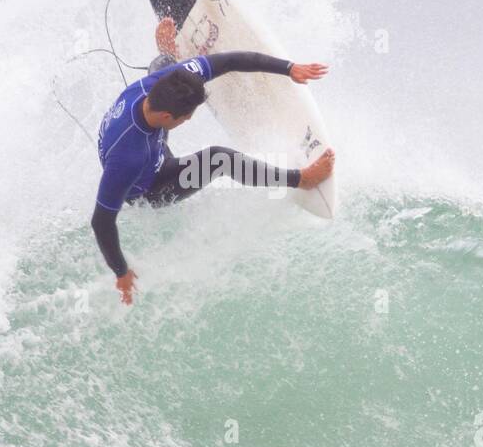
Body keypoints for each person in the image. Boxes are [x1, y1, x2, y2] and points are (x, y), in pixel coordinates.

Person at [91, 17, 335, 305]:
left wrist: (289, 68)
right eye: (187, 116)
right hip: (151, 185)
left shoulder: (158, 85)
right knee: (218, 159)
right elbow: (101, 221)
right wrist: (121, 272)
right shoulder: (128, 159)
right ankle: (300, 179)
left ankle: (167, 51)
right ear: (168, 118)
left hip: (150, 139)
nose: (190, 118)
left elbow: (230, 60)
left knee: (162, 68)